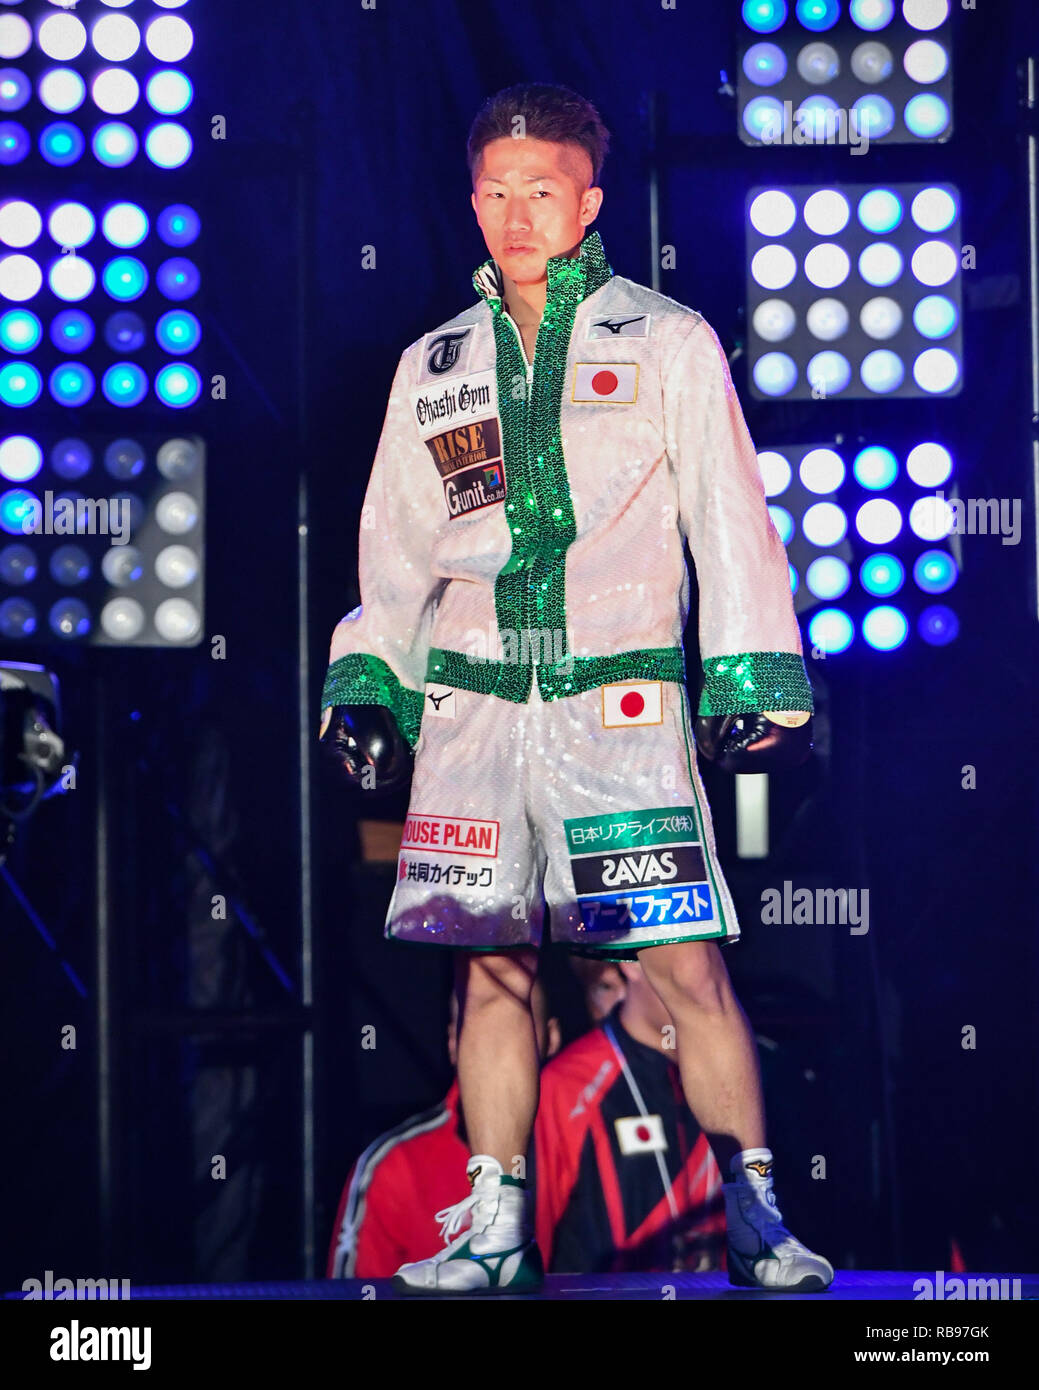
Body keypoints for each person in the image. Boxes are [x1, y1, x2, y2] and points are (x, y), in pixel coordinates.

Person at [320, 81, 834, 1295]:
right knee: (488, 963)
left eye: (540, 190)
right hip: (476, 708)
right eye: (496, 192)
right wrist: (370, 690)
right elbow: (394, 548)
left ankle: (752, 1207)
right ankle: (493, 1223)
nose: (515, 213)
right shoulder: (434, 365)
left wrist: (755, 673)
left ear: (587, 200)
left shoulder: (663, 339)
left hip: (620, 708)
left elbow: (730, 518)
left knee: (682, 963)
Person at [327, 982, 560, 1280]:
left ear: (551, 1038)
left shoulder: (577, 1130)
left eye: (515, 1031)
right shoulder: (396, 1165)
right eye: (483, 1030)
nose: (496, 1052)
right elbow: (356, 1290)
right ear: (453, 1041)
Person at [535, 960, 726, 1274]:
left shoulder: (747, 1072)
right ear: (632, 964)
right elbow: (531, 1243)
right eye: (693, 955)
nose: (709, 977)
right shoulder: (568, 1087)